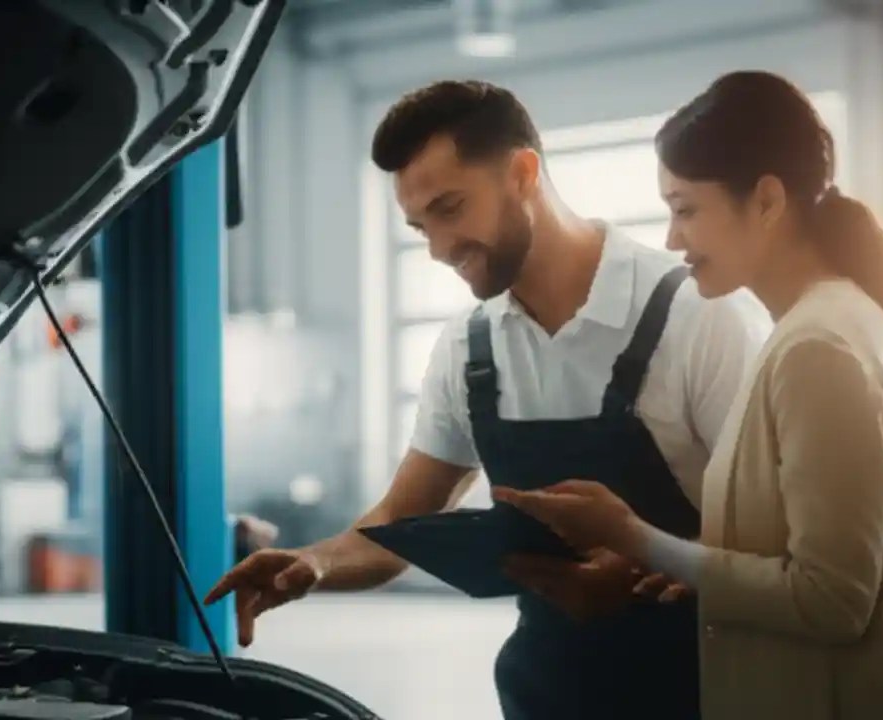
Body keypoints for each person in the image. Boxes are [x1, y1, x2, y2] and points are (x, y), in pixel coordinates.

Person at [203, 79, 770, 718]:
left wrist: (645, 568)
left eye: (450, 209)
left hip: (705, 692)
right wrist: (313, 564)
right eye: (420, 227)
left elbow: (780, 538)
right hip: (547, 696)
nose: (439, 249)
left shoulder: (700, 316)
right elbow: (396, 525)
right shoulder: (468, 350)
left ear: (523, 174)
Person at [495, 71, 883, 719]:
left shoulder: (817, 349)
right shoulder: (823, 326)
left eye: (686, 209)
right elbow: (803, 554)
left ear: (767, 200)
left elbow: (832, 599)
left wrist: (633, 536)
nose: (672, 240)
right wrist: (681, 565)